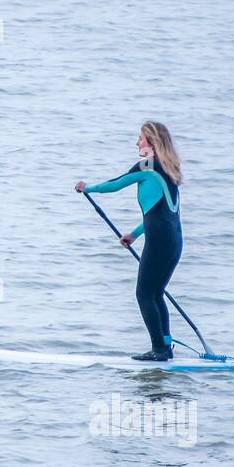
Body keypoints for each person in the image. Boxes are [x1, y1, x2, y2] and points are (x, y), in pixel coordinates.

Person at [75, 122, 183, 361]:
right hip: (174, 240)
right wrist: (135, 234)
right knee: (156, 293)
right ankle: (165, 346)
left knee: (145, 294)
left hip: (159, 241)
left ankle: (159, 350)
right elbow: (161, 214)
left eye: (141, 138)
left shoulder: (147, 165)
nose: (137, 143)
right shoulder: (169, 169)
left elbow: (116, 183)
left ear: (152, 142)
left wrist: (88, 188)